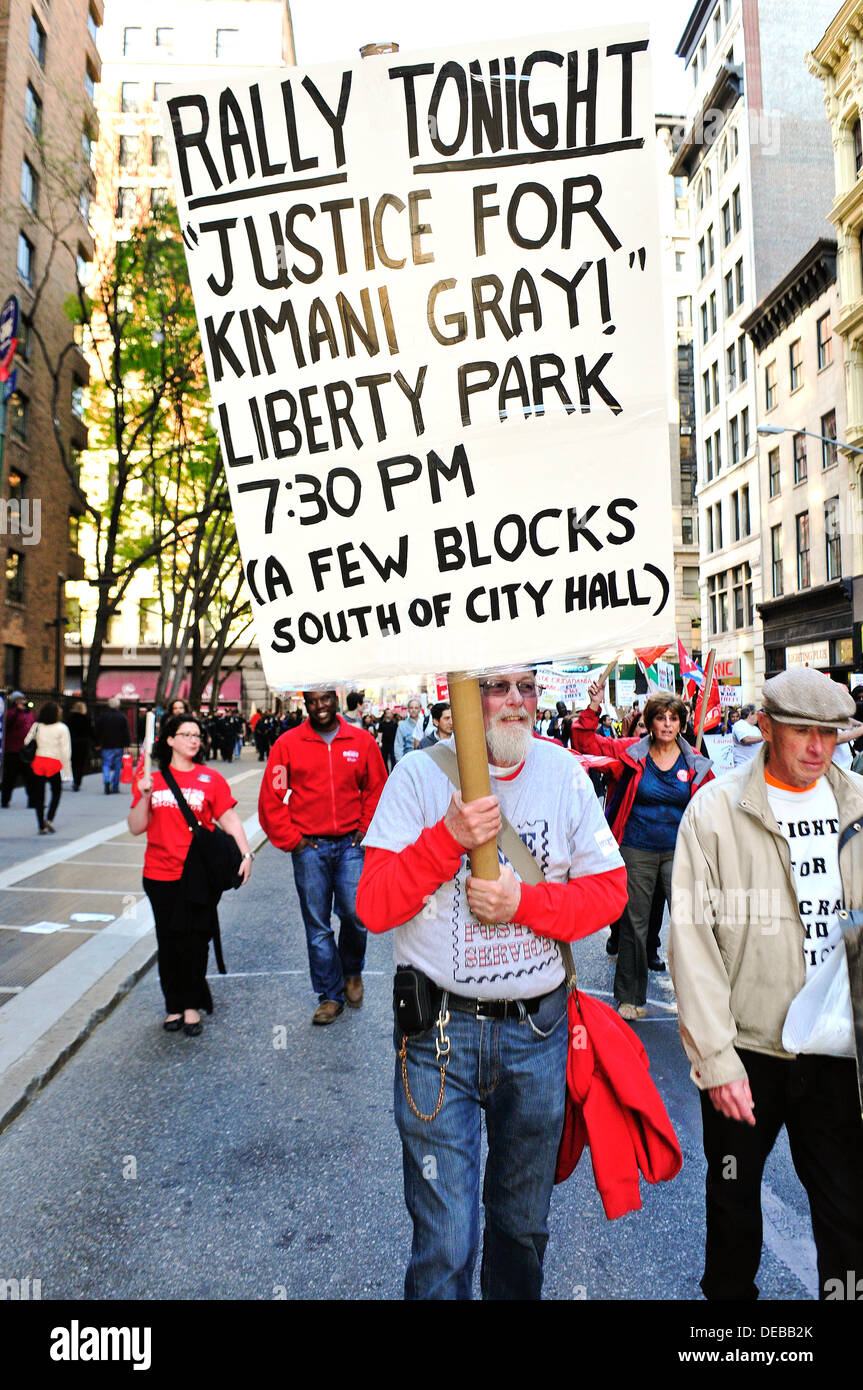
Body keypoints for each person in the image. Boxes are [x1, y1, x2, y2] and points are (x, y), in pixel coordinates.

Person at [356, 667, 628, 1300]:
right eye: (496, 686)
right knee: (446, 1243)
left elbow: (610, 891)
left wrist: (524, 905)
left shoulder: (563, 775)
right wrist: (445, 840)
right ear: (461, 696)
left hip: (538, 1034)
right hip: (436, 1041)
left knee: (521, 1229)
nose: (515, 701)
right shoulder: (418, 776)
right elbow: (373, 905)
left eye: (526, 686)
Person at [670, 667, 863, 1301]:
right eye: (803, 731)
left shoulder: (858, 805)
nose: (818, 746)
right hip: (749, 1053)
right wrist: (716, 1062)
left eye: (830, 733)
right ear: (766, 727)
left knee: (848, 1223)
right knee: (731, 1215)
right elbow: (694, 945)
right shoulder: (716, 810)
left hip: (838, 1054)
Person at [572, 682, 713, 1018]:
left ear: (681, 723)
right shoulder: (630, 752)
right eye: (661, 717)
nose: (667, 724)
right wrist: (593, 708)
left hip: (680, 852)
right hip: (636, 849)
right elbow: (586, 743)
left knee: (690, 923)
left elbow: (712, 806)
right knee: (634, 925)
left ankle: (699, 1003)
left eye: (674, 718)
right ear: (650, 722)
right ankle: (629, 999)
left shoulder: (696, 763)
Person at [258, 689, 387, 1025]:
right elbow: (273, 796)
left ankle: (352, 973)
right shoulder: (287, 744)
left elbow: (377, 787)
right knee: (317, 924)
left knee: (356, 915)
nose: (320, 707)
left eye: (325, 699)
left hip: (350, 845)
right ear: (306, 704)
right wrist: (293, 840)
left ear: (336, 698)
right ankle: (329, 995)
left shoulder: (361, 741)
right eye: (312, 701)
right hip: (309, 847)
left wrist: (365, 828)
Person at [129, 714, 252, 1035]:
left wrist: (246, 853)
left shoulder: (210, 779)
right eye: (186, 735)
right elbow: (135, 827)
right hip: (159, 873)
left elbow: (230, 820)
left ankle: (191, 1004)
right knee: (168, 941)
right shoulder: (151, 780)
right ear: (169, 740)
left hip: (199, 874)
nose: (194, 740)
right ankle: (173, 1005)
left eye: (197, 735)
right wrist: (143, 795)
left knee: (196, 939)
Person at [23, 702, 72, 834]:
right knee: (56, 793)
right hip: (54, 763)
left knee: (39, 795)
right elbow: (65, 751)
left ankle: (41, 825)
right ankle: (49, 818)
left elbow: (26, 741)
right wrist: (67, 772)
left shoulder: (37, 726)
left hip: (39, 761)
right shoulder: (62, 728)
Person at [2, 692, 35, 807]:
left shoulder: (29, 713)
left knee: (30, 777)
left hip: (26, 751)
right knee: (10, 777)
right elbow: (8, 725)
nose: (22, 701)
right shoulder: (11, 713)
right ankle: (5, 800)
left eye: (23, 699)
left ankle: (33, 801)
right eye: (19, 699)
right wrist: (17, 711)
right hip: (12, 750)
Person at [95, 697, 130, 793]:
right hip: (118, 745)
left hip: (106, 744)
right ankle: (115, 786)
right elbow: (125, 732)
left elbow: (98, 731)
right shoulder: (122, 716)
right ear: (118, 705)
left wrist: (97, 743)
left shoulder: (103, 716)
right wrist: (127, 744)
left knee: (106, 764)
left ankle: (107, 780)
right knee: (117, 766)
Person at [65, 700, 94, 791]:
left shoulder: (69, 718)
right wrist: (96, 742)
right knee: (81, 763)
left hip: (72, 742)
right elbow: (91, 731)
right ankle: (78, 782)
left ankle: (74, 779)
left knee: (73, 762)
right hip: (83, 743)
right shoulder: (86, 718)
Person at [394, 697, 426, 761]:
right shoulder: (402, 725)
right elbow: (398, 746)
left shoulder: (425, 724)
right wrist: (400, 763)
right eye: (411, 708)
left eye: (416, 708)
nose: (413, 710)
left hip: (425, 759)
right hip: (409, 760)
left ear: (420, 709)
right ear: (408, 709)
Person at [378, 708, 398, 772]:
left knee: (393, 759)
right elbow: (380, 733)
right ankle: (386, 773)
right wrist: (380, 741)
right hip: (384, 744)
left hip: (393, 743)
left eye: (390, 713)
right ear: (385, 714)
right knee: (384, 759)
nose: (389, 714)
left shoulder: (394, 723)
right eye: (388, 713)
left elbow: (397, 734)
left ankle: (393, 772)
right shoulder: (382, 723)